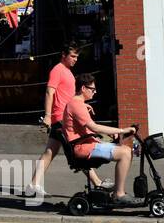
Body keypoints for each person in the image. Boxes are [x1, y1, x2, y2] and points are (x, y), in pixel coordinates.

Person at [26, 43, 108, 195]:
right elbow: (50, 92)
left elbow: (68, 96)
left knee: (51, 152)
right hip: (61, 118)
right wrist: (48, 116)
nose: (75, 59)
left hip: (63, 116)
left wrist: (82, 105)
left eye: (77, 57)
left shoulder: (68, 72)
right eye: (72, 56)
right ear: (63, 55)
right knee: (78, 148)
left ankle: (33, 185)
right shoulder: (58, 70)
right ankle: (97, 182)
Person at [61, 74, 136, 201]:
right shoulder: (77, 105)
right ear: (83, 88)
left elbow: (86, 127)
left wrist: (111, 133)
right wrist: (122, 130)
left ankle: (118, 191)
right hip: (83, 148)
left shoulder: (77, 103)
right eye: (92, 89)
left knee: (126, 149)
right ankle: (119, 194)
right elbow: (94, 127)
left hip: (87, 144)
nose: (95, 92)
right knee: (125, 153)